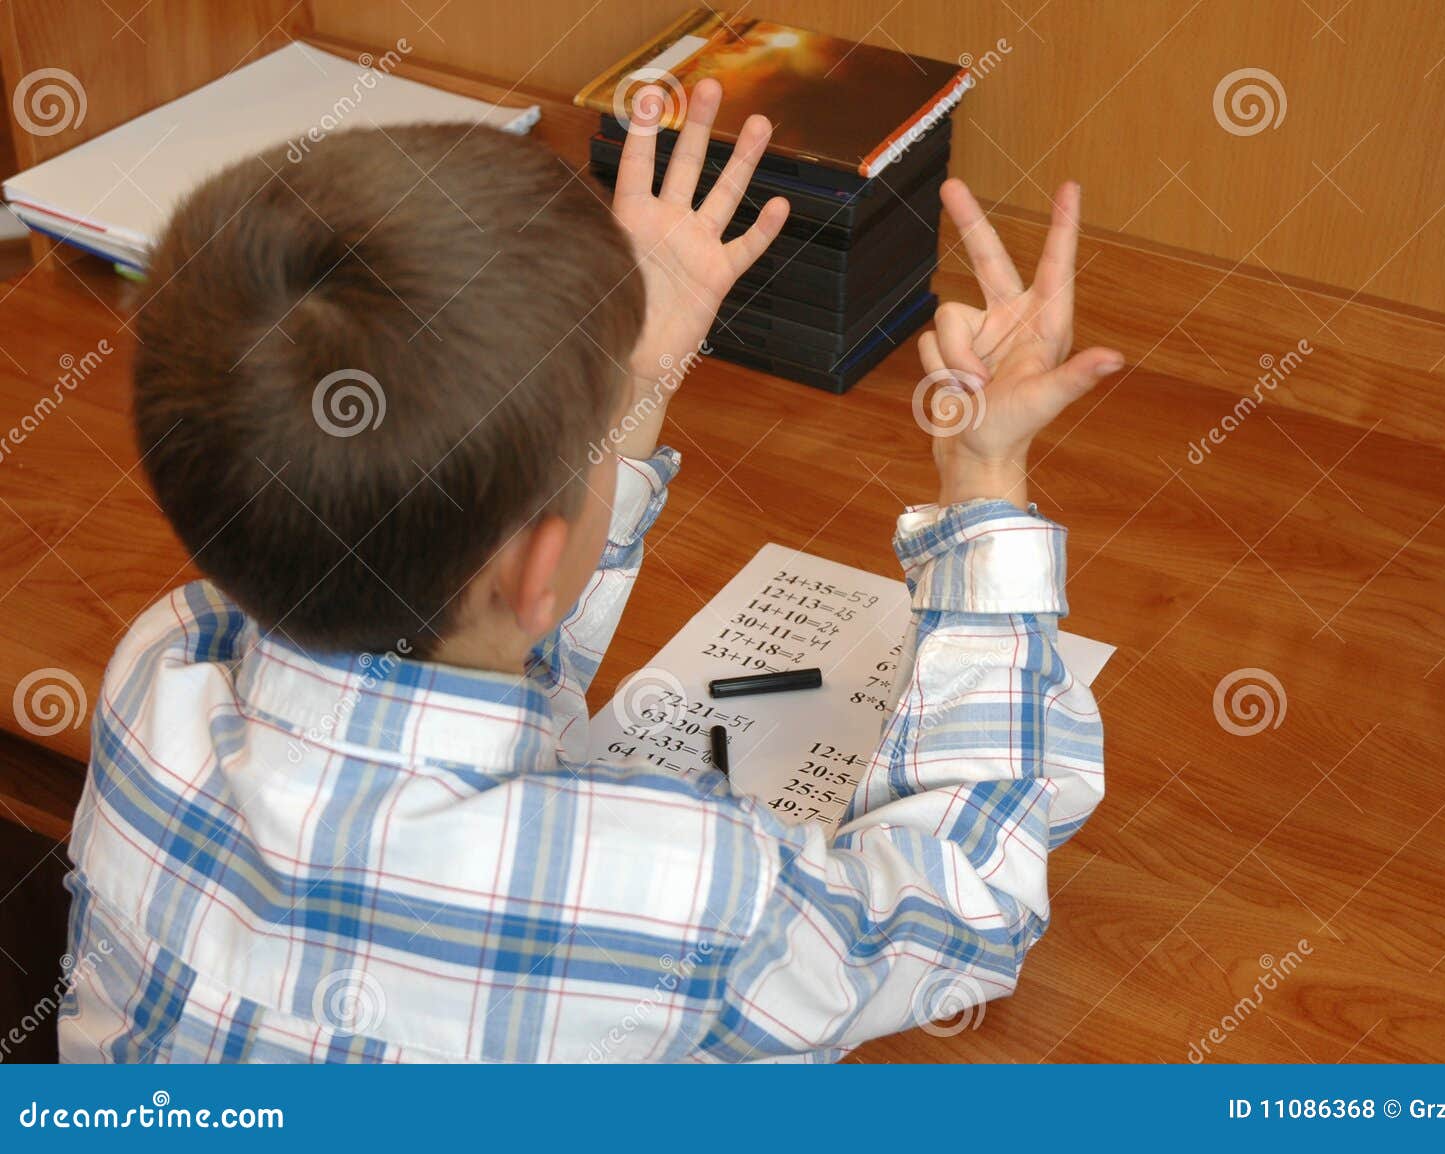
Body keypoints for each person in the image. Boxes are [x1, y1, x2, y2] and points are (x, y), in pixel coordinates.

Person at [60, 79, 1115, 1063]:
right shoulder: (685, 893)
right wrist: (985, 478)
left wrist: (625, 375)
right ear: (537, 571)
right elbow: (968, 907)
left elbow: (460, 631)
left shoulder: (163, 665)